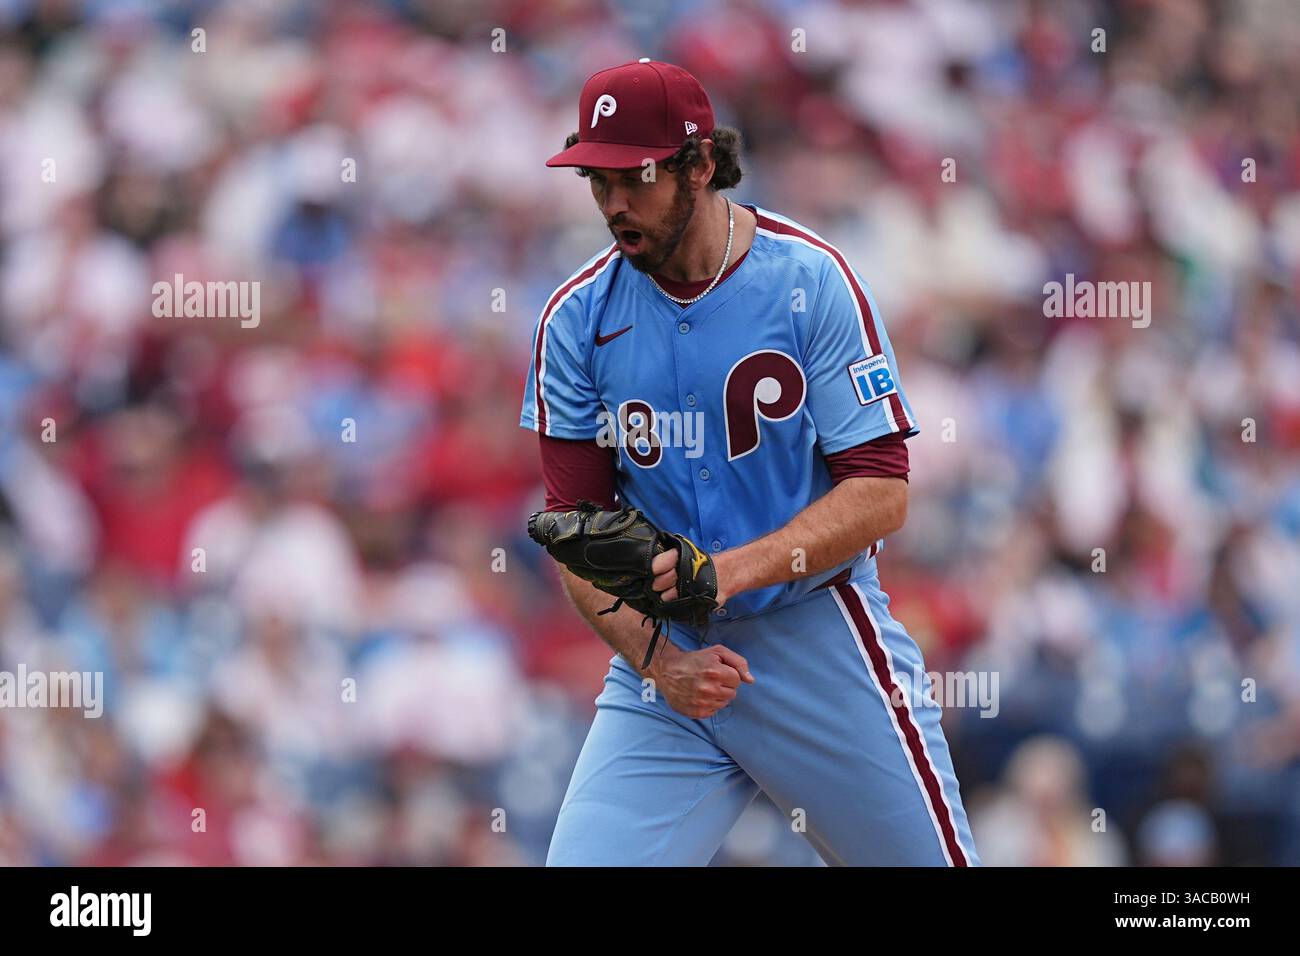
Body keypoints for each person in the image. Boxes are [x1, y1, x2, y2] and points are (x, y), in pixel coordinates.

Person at [521, 59, 980, 866]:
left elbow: (881, 493)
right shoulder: (577, 320)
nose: (613, 204)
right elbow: (577, 534)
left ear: (700, 166)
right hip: (667, 665)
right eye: (597, 181)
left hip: (818, 640)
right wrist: (662, 664)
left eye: (635, 177)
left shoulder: (810, 281)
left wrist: (727, 571)